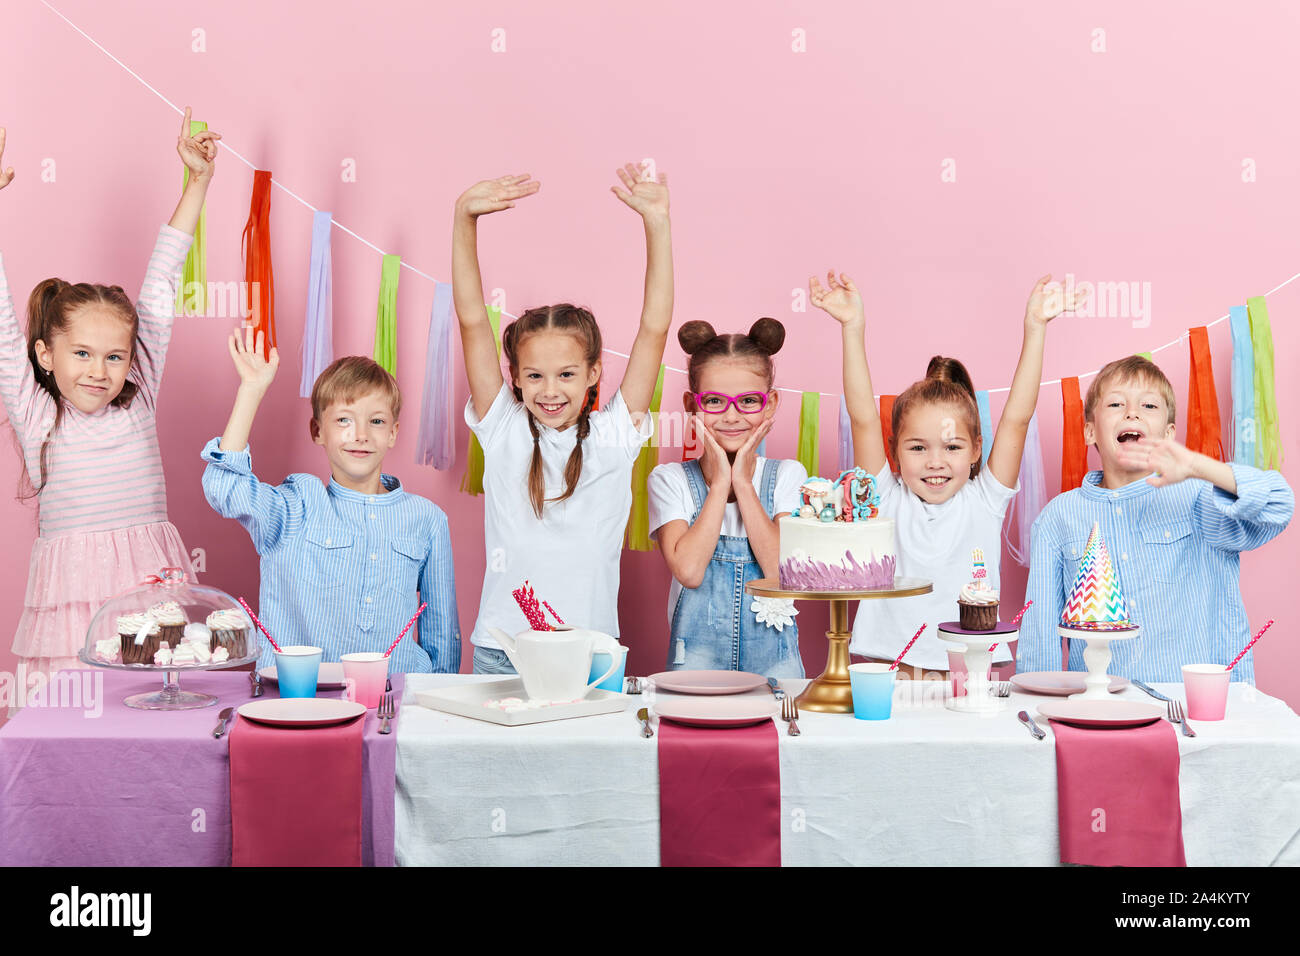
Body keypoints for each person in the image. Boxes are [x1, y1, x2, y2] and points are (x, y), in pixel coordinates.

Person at [0, 111, 217, 698]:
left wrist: (195, 183)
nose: (100, 371)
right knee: (71, 722)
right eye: (83, 355)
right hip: (69, 598)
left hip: (146, 585)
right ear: (45, 355)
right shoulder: (36, 412)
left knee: (151, 709)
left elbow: (161, 282)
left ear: (133, 359)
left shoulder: (137, 398)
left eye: (115, 357)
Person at [452, 165, 672, 674]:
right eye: (535, 376)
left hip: (591, 653)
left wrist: (657, 223)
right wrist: (464, 219)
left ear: (595, 372)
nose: (551, 391)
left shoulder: (615, 436)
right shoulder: (503, 428)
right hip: (504, 651)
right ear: (516, 379)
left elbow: (654, 329)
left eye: (568, 374)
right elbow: (470, 319)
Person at [837, 273, 1086, 676]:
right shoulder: (885, 496)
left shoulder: (984, 501)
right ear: (894, 453)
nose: (935, 462)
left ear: (974, 451)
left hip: (968, 672)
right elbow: (862, 417)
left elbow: (1017, 419)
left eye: (951, 447)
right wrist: (852, 328)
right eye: (918, 448)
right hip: (889, 671)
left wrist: (1035, 328)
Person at [1018, 354, 1293, 683]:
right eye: (1116, 404)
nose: (1132, 412)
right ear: (1090, 431)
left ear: (1169, 433)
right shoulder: (1057, 520)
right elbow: (1039, 641)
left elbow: (1279, 505)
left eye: (1149, 406)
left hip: (1198, 713)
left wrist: (1196, 466)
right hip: (1101, 712)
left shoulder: (1199, 497)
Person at [201, 341, 459, 673]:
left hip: (394, 699)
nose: (361, 434)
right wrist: (250, 391)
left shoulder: (428, 519)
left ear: (394, 433)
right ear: (317, 431)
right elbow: (225, 488)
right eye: (343, 420)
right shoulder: (294, 507)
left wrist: (434, 704)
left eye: (377, 422)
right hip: (299, 698)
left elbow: (442, 632)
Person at [648, 319, 806, 676]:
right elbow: (689, 571)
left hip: (776, 661)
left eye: (749, 401)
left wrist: (744, 485)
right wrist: (720, 485)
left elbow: (781, 574)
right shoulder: (669, 480)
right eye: (715, 401)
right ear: (692, 403)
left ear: (771, 404)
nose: (732, 416)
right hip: (696, 662)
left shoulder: (787, 475)